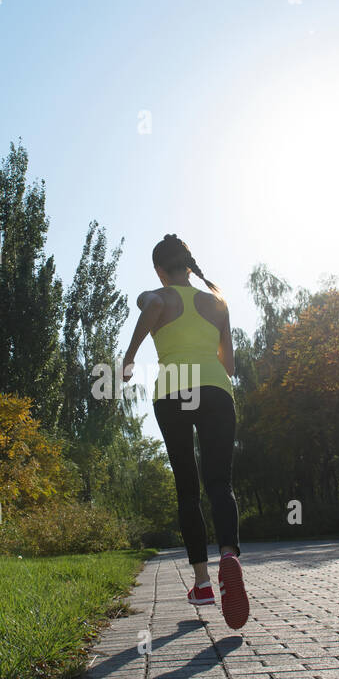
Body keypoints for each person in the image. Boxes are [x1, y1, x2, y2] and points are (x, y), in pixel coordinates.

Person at [121, 233, 249, 630]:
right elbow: (229, 365)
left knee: (187, 486)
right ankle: (228, 553)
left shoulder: (154, 294)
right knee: (219, 483)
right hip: (215, 389)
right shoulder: (218, 302)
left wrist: (129, 358)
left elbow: (155, 303)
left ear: (160, 270)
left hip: (173, 390)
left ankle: (202, 582)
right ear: (190, 267)